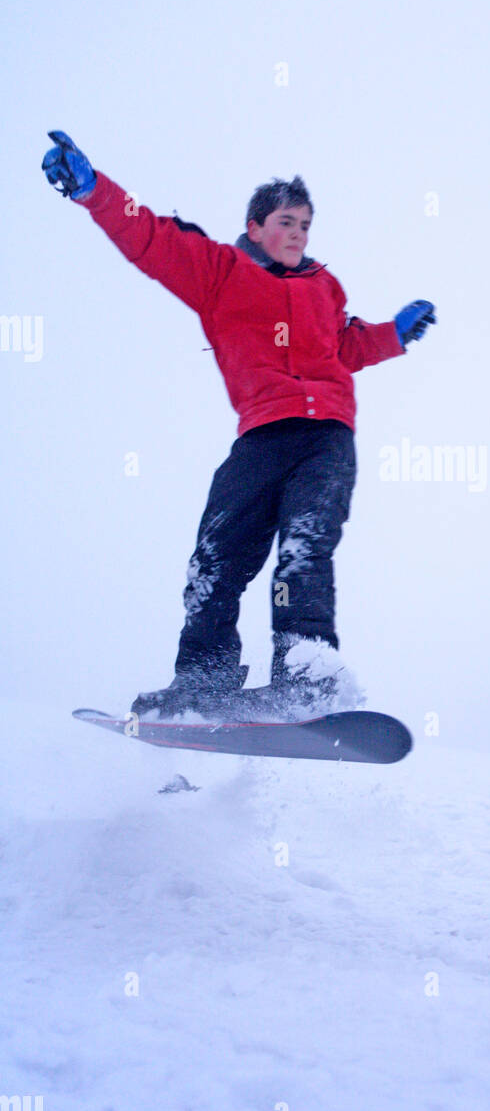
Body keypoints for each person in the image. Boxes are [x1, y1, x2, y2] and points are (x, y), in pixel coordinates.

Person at [42, 130, 436, 720]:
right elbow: (148, 236)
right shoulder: (221, 272)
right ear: (255, 227)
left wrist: (393, 336)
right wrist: (95, 190)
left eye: (305, 224)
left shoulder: (324, 288)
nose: (298, 234)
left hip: (324, 438)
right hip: (260, 437)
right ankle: (204, 679)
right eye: (286, 221)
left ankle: (305, 670)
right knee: (214, 561)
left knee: (302, 552)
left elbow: (345, 346)